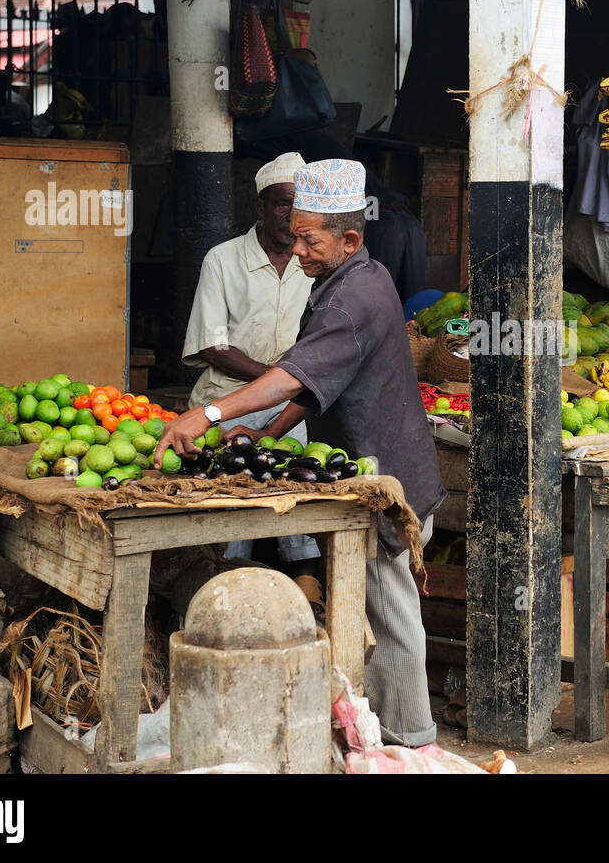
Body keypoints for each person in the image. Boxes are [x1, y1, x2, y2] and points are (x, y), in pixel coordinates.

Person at [156, 158, 445, 747]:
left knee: (393, 617)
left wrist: (207, 413)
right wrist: (268, 434)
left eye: (310, 239)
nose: (299, 248)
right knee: (380, 609)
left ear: (349, 239)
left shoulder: (350, 300)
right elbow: (318, 387)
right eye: (296, 235)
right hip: (378, 473)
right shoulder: (354, 279)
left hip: (389, 484)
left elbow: (290, 376)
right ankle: (382, 732)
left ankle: (411, 742)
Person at [181, 152, 320, 569]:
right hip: (224, 401)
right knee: (228, 510)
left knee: (298, 500)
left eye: (299, 206)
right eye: (282, 204)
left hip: (290, 406)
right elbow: (213, 346)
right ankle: (227, 583)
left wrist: (285, 386)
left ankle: (305, 591)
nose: (291, 216)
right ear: (259, 207)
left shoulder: (312, 262)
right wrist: (278, 378)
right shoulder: (222, 260)